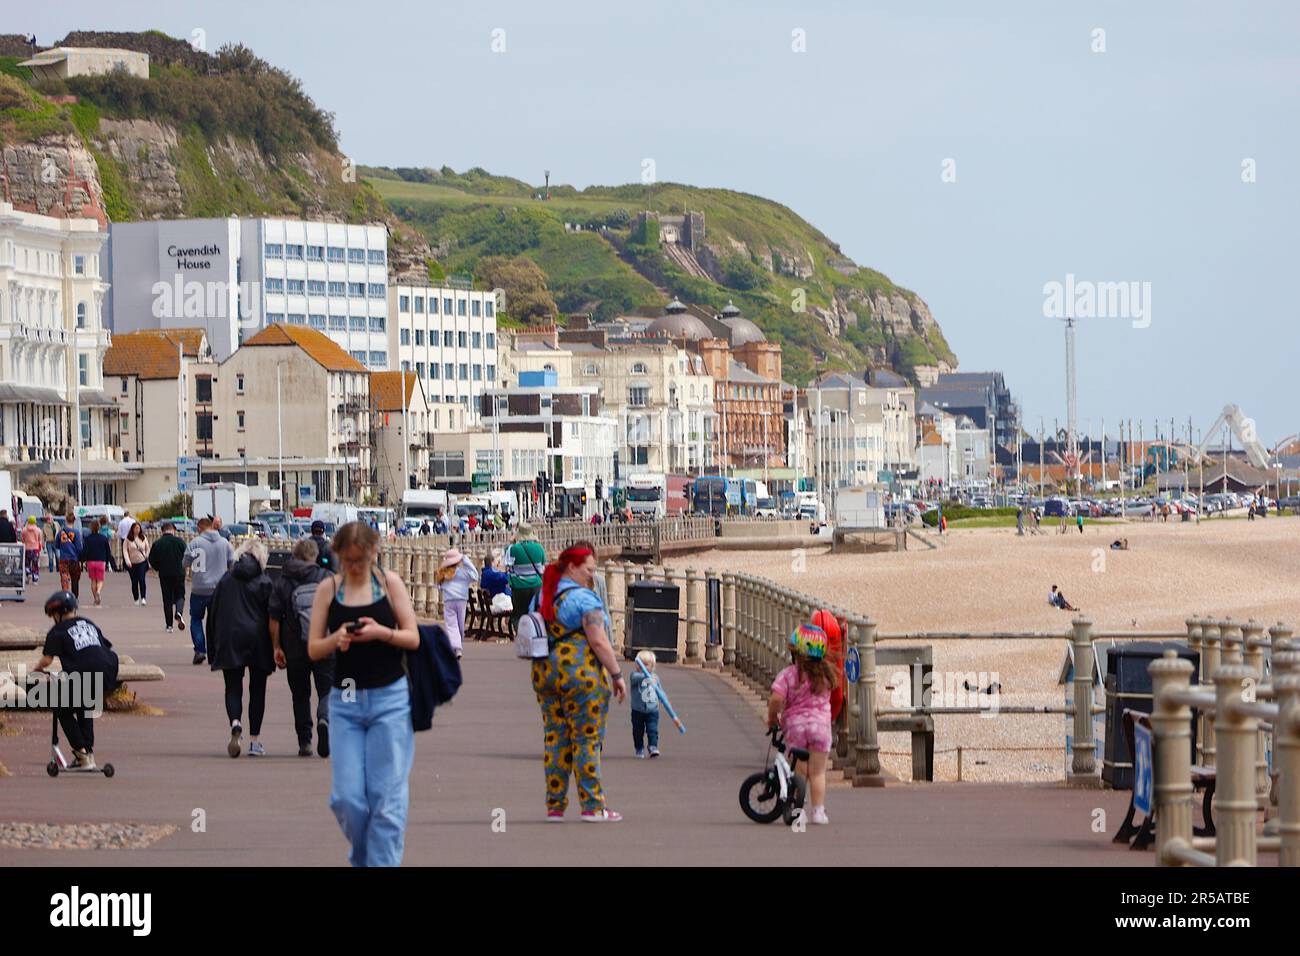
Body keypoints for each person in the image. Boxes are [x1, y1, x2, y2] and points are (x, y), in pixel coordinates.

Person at [307, 520, 420, 867]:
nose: (354, 567)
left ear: (374, 553)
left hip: (390, 698)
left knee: (386, 801)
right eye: (347, 560)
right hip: (348, 700)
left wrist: (381, 633)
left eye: (359, 559)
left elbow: (413, 637)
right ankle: (364, 857)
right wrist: (336, 638)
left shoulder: (389, 583)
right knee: (347, 798)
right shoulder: (329, 589)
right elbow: (313, 648)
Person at [532, 544, 627, 822]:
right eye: (588, 570)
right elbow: (598, 640)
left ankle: (555, 807)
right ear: (572, 567)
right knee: (586, 741)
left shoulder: (542, 594)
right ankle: (592, 807)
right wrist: (616, 674)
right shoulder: (584, 599)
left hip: (545, 673)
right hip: (580, 675)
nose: (591, 577)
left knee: (555, 739)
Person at [33, 590, 119, 770]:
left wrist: (36, 670)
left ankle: (82, 752)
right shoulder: (88, 623)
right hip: (108, 670)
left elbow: (47, 660)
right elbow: (102, 646)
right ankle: (88, 754)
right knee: (84, 708)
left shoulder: (57, 631)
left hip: (84, 672)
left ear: (58, 613)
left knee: (63, 711)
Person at [207, 539, 274, 757]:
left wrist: (212, 649)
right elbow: (273, 615)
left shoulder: (226, 581)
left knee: (233, 687)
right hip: (259, 639)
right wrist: (278, 646)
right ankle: (255, 741)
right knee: (258, 689)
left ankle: (235, 722)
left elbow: (213, 613)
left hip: (230, 637)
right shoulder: (265, 582)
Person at [269, 538, 333, 757]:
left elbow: (274, 618)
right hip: (325, 644)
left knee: (300, 694)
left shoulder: (283, 580)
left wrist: (277, 646)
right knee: (327, 689)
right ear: (315, 556)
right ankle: (324, 718)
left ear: (294, 555)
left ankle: (304, 741)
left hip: (294, 645)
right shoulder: (327, 577)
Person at [767, 623, 836, 825]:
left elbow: (776, 699)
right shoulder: (826, 675)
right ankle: (818, 812)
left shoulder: (789, 674)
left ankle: (798, 809)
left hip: (796, 727)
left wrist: (773, 718)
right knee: (818, 772)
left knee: (799, 771)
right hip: (820, 728)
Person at [185, 516, 235, 666]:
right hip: (219, 589)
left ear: (200, 528)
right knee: (217, 621)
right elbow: (232, 563)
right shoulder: (225, 543)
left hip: (199, 587)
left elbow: (185, 562)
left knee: (196, 619)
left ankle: (200, 650)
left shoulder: (195, 543)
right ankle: (217, 651)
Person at [630, 650, 682, 758]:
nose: (642, 667)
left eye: (646, 664)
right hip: (637, 710)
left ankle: (653, 746)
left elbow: (660, 691)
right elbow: (636, 679)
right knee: (637, 731)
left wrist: (665, 700)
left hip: (652, 709)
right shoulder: (634, 676)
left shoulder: (655, 678)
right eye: (640, 664)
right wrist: (645, 676)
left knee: (652, 729)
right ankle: (639, 748)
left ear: (652, 666)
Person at [436, 548, 479, 658]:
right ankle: (458, 645)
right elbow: (475, 575)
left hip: (449, 601)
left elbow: (438, 587)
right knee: (460, 624)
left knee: (451, 625)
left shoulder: (442, 574)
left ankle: (456, 646)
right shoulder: (463, 573)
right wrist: (466, 560)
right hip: (461, 600)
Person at [148, 521, 187, 632]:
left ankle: (169, 625)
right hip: (179, 573)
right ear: (173, 530)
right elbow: (187, 556)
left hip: (164, 574)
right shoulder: (180, 542)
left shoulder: (158, 543)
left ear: (162, 531)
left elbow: (152, 559)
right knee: (180, 595)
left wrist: (158, 568)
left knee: (167, 599)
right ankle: (179, 612)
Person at [507, 524, 546, 631]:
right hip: (536, 585)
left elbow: (508, 565)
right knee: (535, 613)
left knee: (518, 614)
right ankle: (535, 634)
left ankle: (521, 635)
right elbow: (543, 564)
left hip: (519, 585)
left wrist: (512, 542)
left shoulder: (513, 549)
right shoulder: (539, 548)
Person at [79, 518, 112, 607]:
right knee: (100, 580)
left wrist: (82, 559)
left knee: (93, 580)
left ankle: (95, 599)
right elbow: (108, 551)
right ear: (99, 527)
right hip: (101, 561)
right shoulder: (104, 538)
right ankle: (98, 591)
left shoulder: (87, 539)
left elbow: (85, 551)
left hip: (90, 561)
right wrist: (108, 561)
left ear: (90, 528)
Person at [123, 521, 151, 606]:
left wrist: (146, 555)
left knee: (142, 579)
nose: (137, 530)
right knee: (134, 581)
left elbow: (147, 548)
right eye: (135, 528)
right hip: (132, 563)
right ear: (132, 529)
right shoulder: (128, 539)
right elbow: (125, 551)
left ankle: (143, 598)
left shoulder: (143, 538)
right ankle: (136, 598)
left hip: (141, 561)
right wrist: (127, 561)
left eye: (138, 528)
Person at [56, 514, 83, 598]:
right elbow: (79, 547)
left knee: (64, 578)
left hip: (63, 558)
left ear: (66, 520)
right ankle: (75, 597)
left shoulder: (61, 532)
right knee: (75, 579)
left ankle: (65, 596)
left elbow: (56, 545)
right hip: (74, 559)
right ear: (74, 521)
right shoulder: (76, 532)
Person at [21, 515, 43, 584]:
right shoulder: (38, 530)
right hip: (35, 548)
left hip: (27, 548)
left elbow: (22, 539)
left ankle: (28, 573)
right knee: (35, 564)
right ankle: (35, 580)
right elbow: (40, 540)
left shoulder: (24, 530)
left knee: (27, 563)